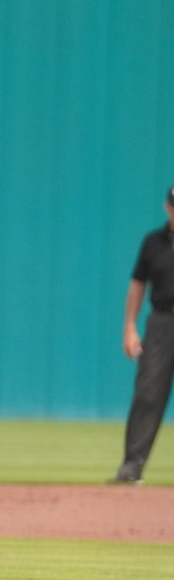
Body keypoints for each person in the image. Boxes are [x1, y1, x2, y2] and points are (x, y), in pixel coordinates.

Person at [114, 184, 174, 484]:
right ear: (168, 207)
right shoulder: (153, 242)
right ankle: (132, 467)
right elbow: (137, 285)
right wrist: (129, 327)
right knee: (148, 392)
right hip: (163, 321)